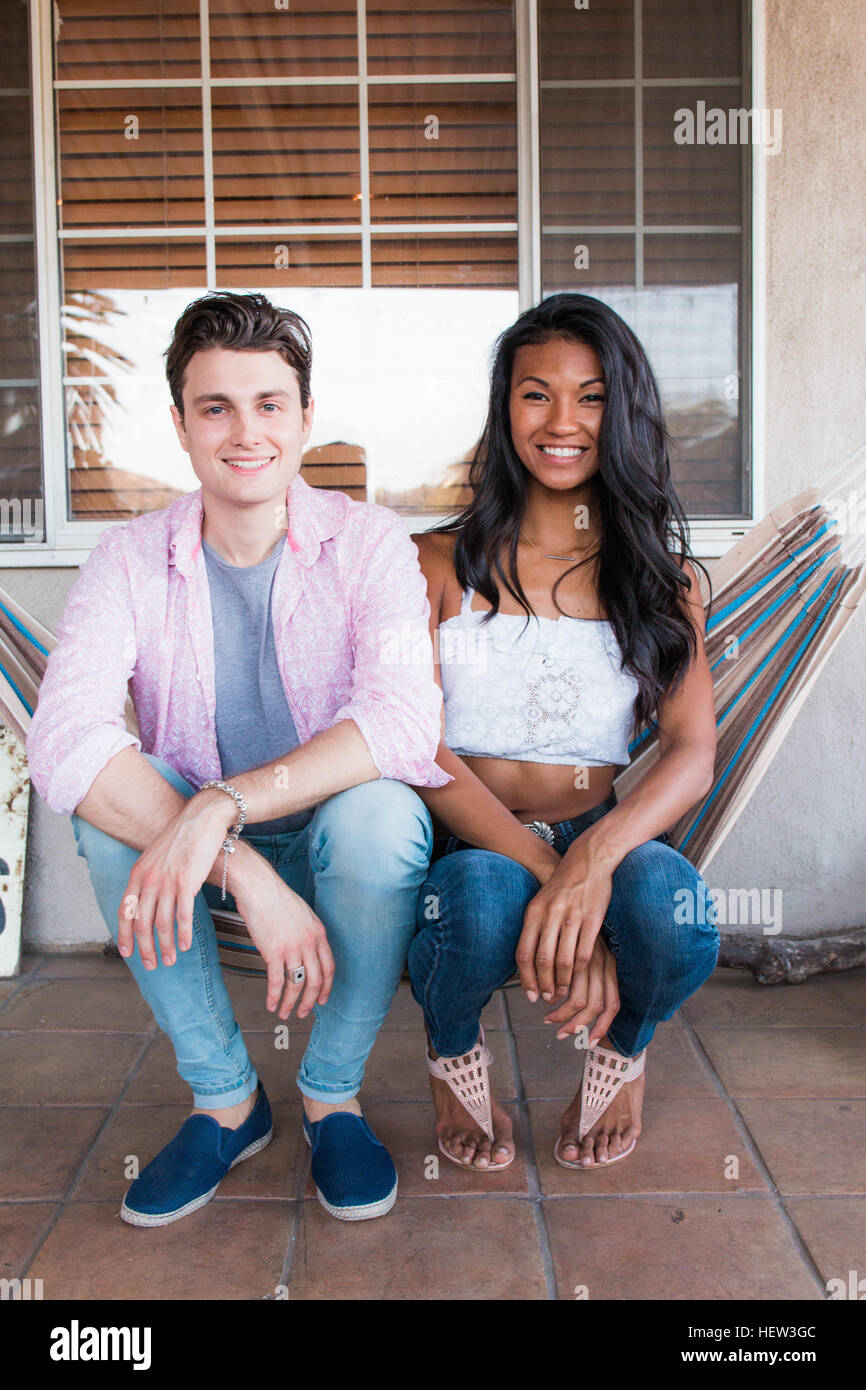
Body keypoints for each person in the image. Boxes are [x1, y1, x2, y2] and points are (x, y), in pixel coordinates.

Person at [26, 291, 452, 1223]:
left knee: (383, 816)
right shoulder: (129, 559)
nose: (244, 431)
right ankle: (228, 1101)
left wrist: (220, 805)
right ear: (179, 425)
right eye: (215, 407)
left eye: (269, 404)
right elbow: (62, 739)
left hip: (341, 841)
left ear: (305, 418)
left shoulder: (372, 544)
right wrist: (235, 857)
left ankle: (331, 1095)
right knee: (105, 823)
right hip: (224, 855)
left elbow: (401, 721)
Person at [407, 293, 720, 1172]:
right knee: (474, 904)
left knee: (673, 907)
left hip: (601, 826)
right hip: (472, 836)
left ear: (620, 413)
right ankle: (452, 1047)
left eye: (590, 397)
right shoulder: (434, 565)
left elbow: (693, 750)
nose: (562, 422)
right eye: (535, 393)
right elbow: (420, 749)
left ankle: (626, 1046)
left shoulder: (663, 581)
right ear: (505, 409)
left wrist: (592, 861)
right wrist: (557, 878)